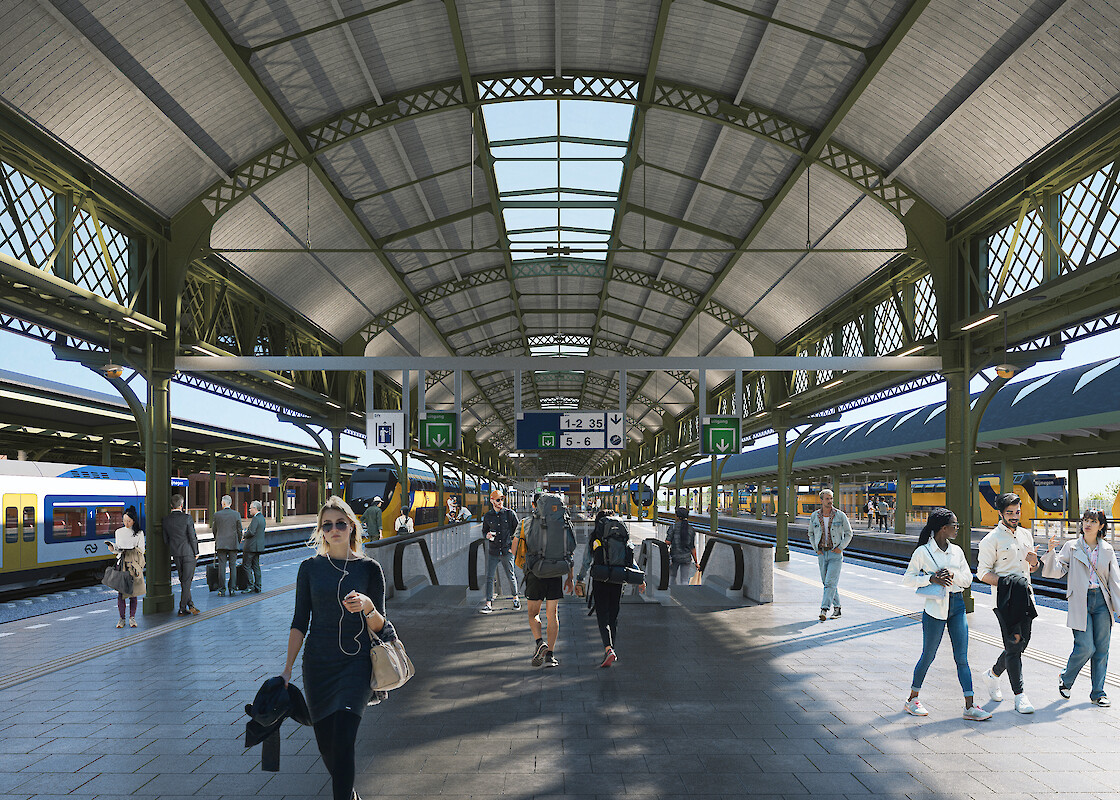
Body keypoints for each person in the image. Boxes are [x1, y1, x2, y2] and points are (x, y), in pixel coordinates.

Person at [281, 496, 395, 800]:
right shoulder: (309, 568)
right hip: (317, 665)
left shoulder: (370, 569)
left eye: (340, 523)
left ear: (352, 527)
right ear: (320, 531)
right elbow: (298, 621)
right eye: (327, 525)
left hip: (356, 665)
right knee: (327, 746)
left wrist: (368, 606)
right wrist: (287, 668)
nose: (334, 529)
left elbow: (382, 627)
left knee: (343, 739)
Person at [902, 509, 991, 720]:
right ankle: (912, 699)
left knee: (962, 657)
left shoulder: (957, 552)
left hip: (957, 605)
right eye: (955, 524)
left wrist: (953, 575)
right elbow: (908, 578)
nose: (957, 528)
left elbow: (968, 579)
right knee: (928, 655)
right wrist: (931, 579)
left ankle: (969, 706)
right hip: (934, 608)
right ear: (943, 528)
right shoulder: (923, 552)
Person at [1042, 509, 1120, 706]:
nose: (1088, 524)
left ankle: (1098, 693)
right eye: (1086, 520)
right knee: (1086, 646)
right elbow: (1057, 571)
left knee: (1102, 649)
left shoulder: (1107, 549)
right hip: (1080, 600)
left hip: (1102, 601)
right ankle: (1066, 678)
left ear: (1101, 526)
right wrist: (1051, 551)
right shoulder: (1072, 546)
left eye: (1093, 521)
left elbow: (1115, 581)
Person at [977, 492, 1041, 713]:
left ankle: (993, 674)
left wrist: (1034, 564)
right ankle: (1019, 696)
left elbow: (1031, 568)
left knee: (1021, 644)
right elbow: (982, 573)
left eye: (1017, 512)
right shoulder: (991, 540)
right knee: (1014, 645)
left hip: (1027, 598)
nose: (1015, 516)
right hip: (1005, 601)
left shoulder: (1026, 535)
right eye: (1010, 513)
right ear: (1000, 513)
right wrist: (1006, 583)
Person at [575, 511, 644, 667]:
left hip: (600, 578)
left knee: (602, 616)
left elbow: (586, 561)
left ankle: (608, 649)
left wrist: (580, 578)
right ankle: (611, 648)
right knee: (613, 616)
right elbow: (630, 558)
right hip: (618, 579)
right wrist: (641, 579)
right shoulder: (621, 537)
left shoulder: (595, 537)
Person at [524, 495, 575, 668]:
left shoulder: (527, 522)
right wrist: (570, 577)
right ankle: (551, 656)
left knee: (533, 614)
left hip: (536, 571)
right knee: (552, 615)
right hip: (556, 571)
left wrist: (524, 566)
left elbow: (516, 547)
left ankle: (539, 643)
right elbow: (570, 550)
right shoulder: (564, 522)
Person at [807, 488, 853, 621]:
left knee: (830, 582)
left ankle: (824, 609)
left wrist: (841, 547)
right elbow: (810, 533)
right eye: (827, 499)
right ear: (821, 500)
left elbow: (849, 533)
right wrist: (816, 548)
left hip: (835, 554)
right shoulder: (815, 516)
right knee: (827, 583)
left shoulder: (840, 515)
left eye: (831, 498)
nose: (830, 501)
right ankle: (837, 608)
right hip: (822, 553)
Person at [480, 489, 519, 613]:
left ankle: (516, 598)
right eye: (498, 499)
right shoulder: (488, 516)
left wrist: (512, 546)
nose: (500, 502)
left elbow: (517, 531)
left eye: (502, 499)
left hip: (507, 551)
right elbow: (484, 531)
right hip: (493, 551)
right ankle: (488, 603)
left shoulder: (510, 514)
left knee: (511, 576)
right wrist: (487, 535)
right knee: (489, 577)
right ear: (492, 501)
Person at [107, 506, 145, 628]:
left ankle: (132, 618)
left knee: (133, 593)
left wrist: (131, 551)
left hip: (133, 565)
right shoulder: (118, 532)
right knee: (121, 593)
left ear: (134, 521)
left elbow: (142, 550)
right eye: (124, 520)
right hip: (121, 564)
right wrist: (113, 548)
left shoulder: (139, 533)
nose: (126, 523)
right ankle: (122, 619)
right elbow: (117, 550)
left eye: (128, 521)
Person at [162, 494, 199, 615]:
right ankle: (182, 608)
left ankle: (191, 604)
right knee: (187, 581)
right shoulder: (187, 518)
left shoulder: (166, 520)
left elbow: (166, 540)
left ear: (171, 505)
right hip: (188, 553)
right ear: (182, 505)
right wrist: (196, 552)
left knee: (183, 579)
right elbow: (192, 537)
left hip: (176, 554)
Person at [212, 494, 244, 597]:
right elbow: (240, 530)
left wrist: (218, 538)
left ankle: (222, 590)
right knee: (232, 566)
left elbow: (214, 530)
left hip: (221, 544)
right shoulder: (236, 514)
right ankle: (232, 589)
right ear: (231, 503)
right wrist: (238, 541)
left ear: (223, 503)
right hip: (233, 544)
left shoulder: (217, 515)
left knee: (222, 566)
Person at [664, 506, 698, 585]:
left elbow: (668, 542)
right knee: (684, 580)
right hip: (686, 558)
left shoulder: (673, 527)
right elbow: (692, 547)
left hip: (674, 557)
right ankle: (684, 595)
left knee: (672, 577)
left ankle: (672, 594)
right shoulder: (691, 529)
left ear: (677, 516)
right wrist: (696, 562)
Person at [242, 500, 266, 593]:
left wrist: (244, 535)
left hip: (251, 547)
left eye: (250, 508)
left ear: (255, 509)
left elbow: (251, 532)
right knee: (256, 566)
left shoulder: (255, 519)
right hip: (258, 547)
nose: (249, 510)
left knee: (246, 566)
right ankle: (258, 586)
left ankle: (250, 586)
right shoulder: (262, 518)